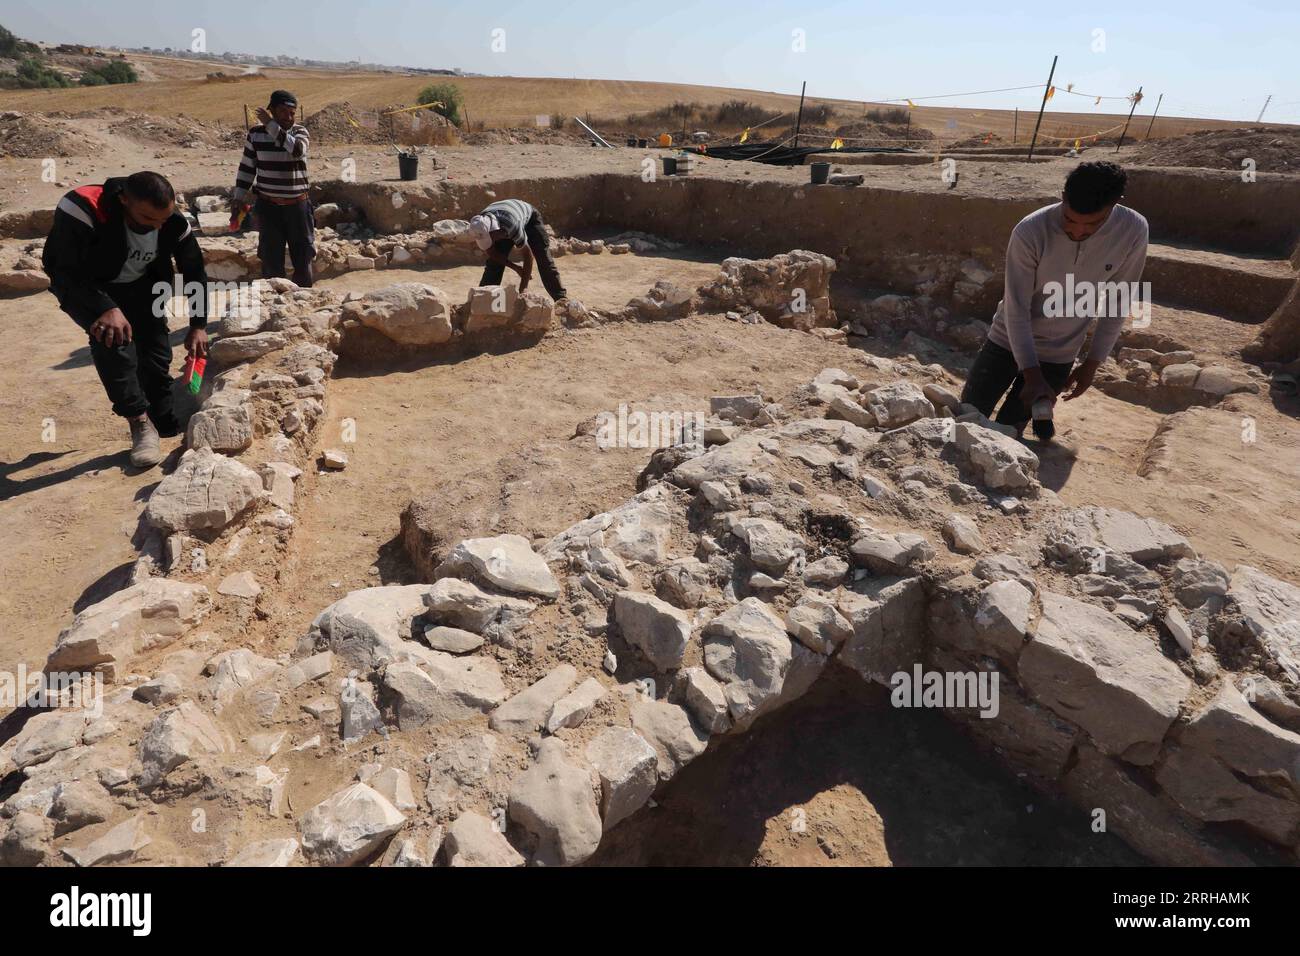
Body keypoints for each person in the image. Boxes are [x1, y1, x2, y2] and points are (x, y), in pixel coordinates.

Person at [961, 161, 1148, 437]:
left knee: (1008, 435)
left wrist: (1092, 363)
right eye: (1070, 220)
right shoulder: (1031, 231)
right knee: (964, 420)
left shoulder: (1133, 230)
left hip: (1059, 355)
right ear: (1063, 197)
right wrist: (1032, 376)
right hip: (1005, 342)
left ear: (1115, 205)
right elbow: (1017, 308)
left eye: (1092, 225)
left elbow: (1118, 301)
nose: (1077, 232)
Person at [42, 171, 209, 469]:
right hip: (87, 286)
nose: (156, 227)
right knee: (115, 342)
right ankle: (139, 423)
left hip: (143, 286)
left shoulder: (170, 220)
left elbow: (194, 269)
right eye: (147, 219)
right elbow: (62, 269)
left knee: (156, 354)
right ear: (123, 201)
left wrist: (198, 324)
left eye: (161, 220)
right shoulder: (82, 208)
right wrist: (103, 306)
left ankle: (164, 422)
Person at [231, 90, 314, 286]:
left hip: (297, 208)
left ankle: (304, 302)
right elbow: (247, 167)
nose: (289, 117)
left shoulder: (300, 132)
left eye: (292, 112)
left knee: (303, 258)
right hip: (269, 208)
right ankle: (274, 304)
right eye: (283, 111)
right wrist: (238, 196)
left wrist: (271, 124)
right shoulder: (256, 134)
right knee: (270, 260)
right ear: (272, 111)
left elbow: (296, 151)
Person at [466, 199, 567, 301]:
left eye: (490, 238)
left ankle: (561, 299)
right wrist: (516, 268)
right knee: (494, 264)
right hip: (504, 222)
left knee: (543, 258)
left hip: (529, 219)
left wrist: (523, 289)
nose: (490, 241)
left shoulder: (512, 225)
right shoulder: (479, 224)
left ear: (494, 230)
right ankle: (483, 299)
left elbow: (528, 256)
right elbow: (492, 253)